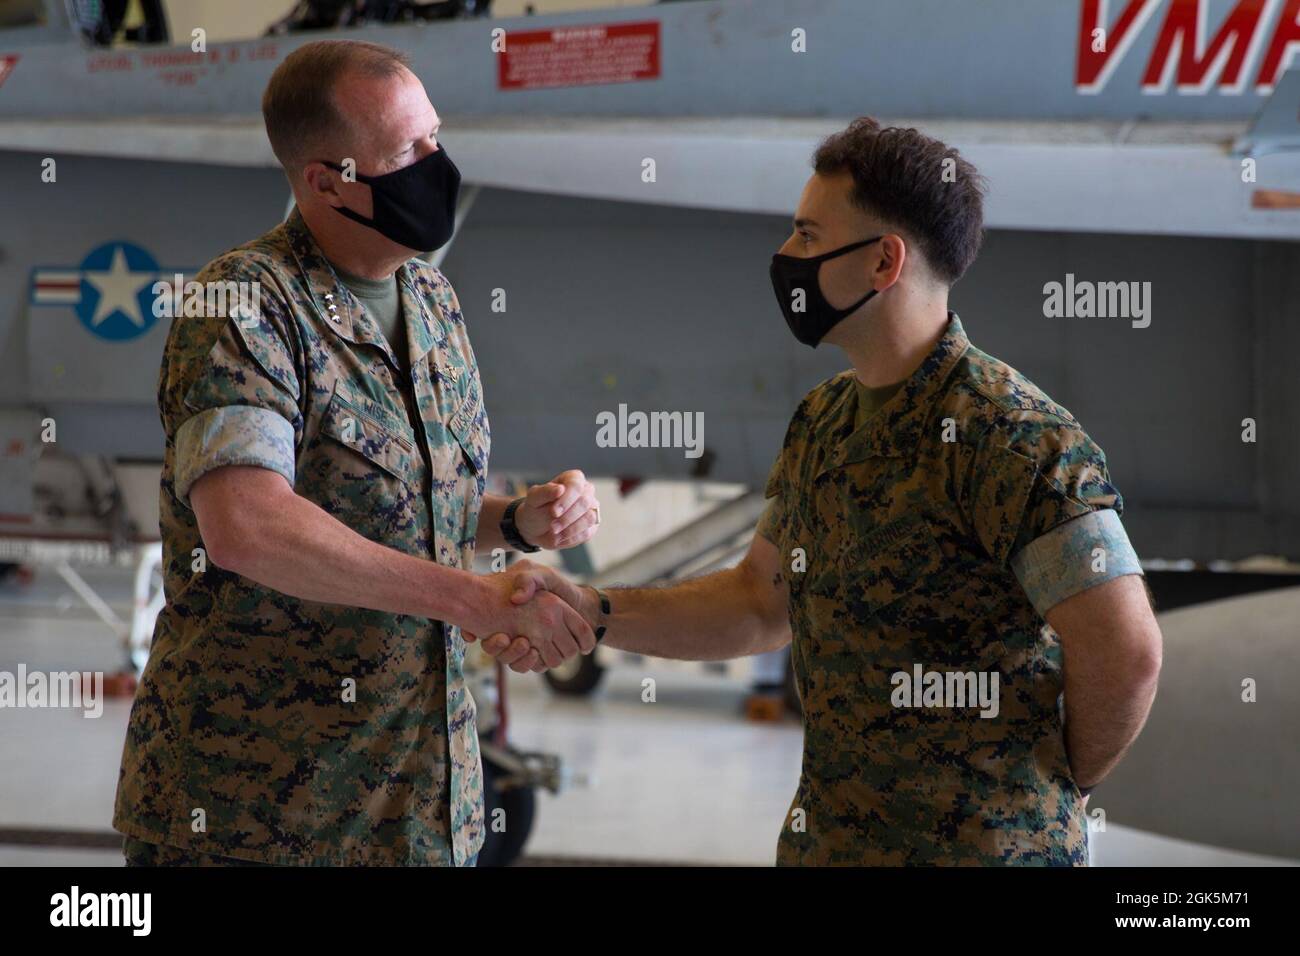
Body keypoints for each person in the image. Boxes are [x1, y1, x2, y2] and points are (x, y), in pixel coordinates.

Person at [486, 118, 1164, 866]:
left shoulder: (1013, 436)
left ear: (883, 262)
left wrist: (1049, 788)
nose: (785, 257)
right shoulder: (823, 420)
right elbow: (756, 605)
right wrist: (596, 611)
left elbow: (1125, 650)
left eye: (808, 236)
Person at [113, 39, 599, 867]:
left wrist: (515, 521)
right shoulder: (245, 305)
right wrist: (472, 600)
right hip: (256, 817)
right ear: (326, 181)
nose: (435, 165)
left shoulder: (432, 298)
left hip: (415, 809)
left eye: (435, 138)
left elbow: (406, 507)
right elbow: (248, 526)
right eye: (407, 152)